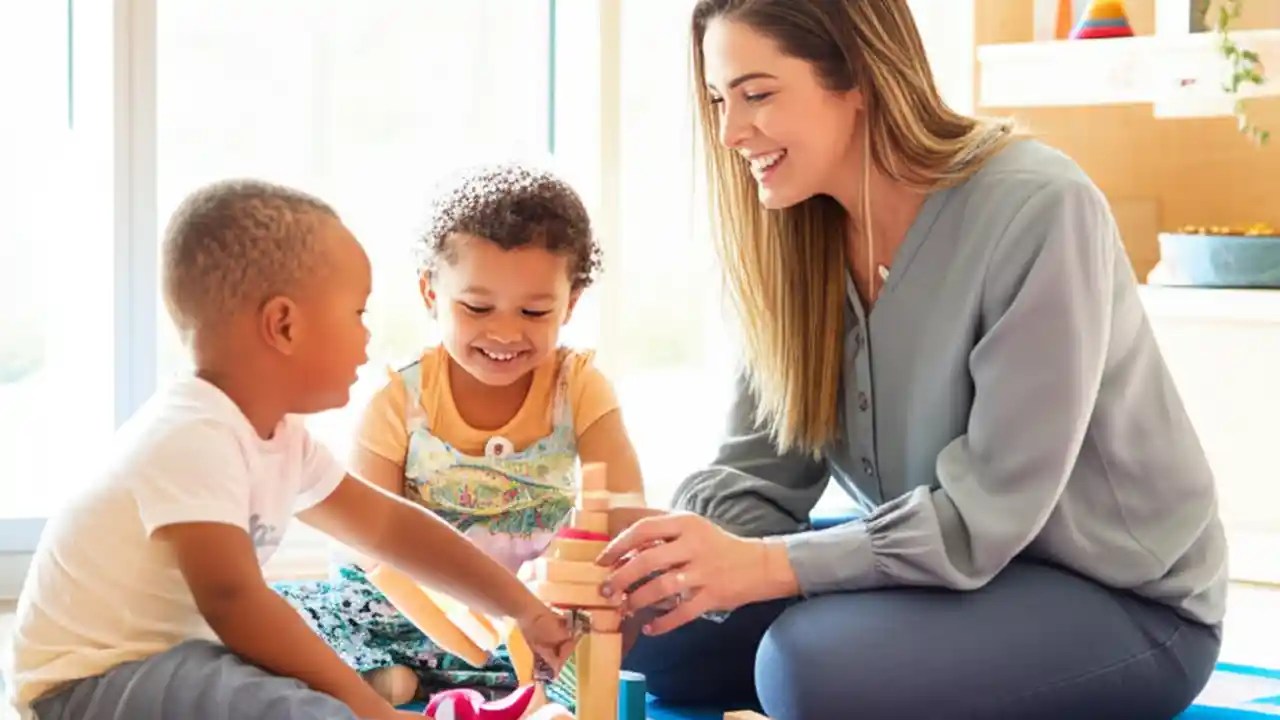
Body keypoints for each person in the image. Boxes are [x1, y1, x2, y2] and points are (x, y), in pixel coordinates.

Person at [601, 2, 1227, 719]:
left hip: (1121, 598)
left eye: (757, 93)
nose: (729, 131)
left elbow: (984, 517)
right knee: (643, 631)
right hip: (939, 575)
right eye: (718, 99)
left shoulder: (1037, 207)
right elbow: (758, 474)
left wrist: (766, 567)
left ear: (858, 76)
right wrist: (669, 555)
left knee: (804, 670)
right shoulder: (798, 238)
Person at [7, 179, 576, 720]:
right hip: (90, 685)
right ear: (283, 325)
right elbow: (234, 602)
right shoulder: (193, 435)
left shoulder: (279, 439)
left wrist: (522, 608)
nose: (367, 336)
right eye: (357, 313)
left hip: (177, 661)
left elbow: (389, 527)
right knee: (304, 705)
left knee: (297, 685)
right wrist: (370, 708)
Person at [275, 162, 646, 709]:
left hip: (534, 609)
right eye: (476, 307)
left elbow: (623, 516)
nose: (504, 332)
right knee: (296, 610)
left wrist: (587, 603)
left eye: (535, 311)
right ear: (430, 293)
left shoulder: (579, 388)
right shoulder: (400, 401)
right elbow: (371, 546)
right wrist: (461, 624)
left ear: (571, 303)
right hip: (418, 601)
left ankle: (456, 680)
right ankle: (408, 676)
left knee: (620, 606)